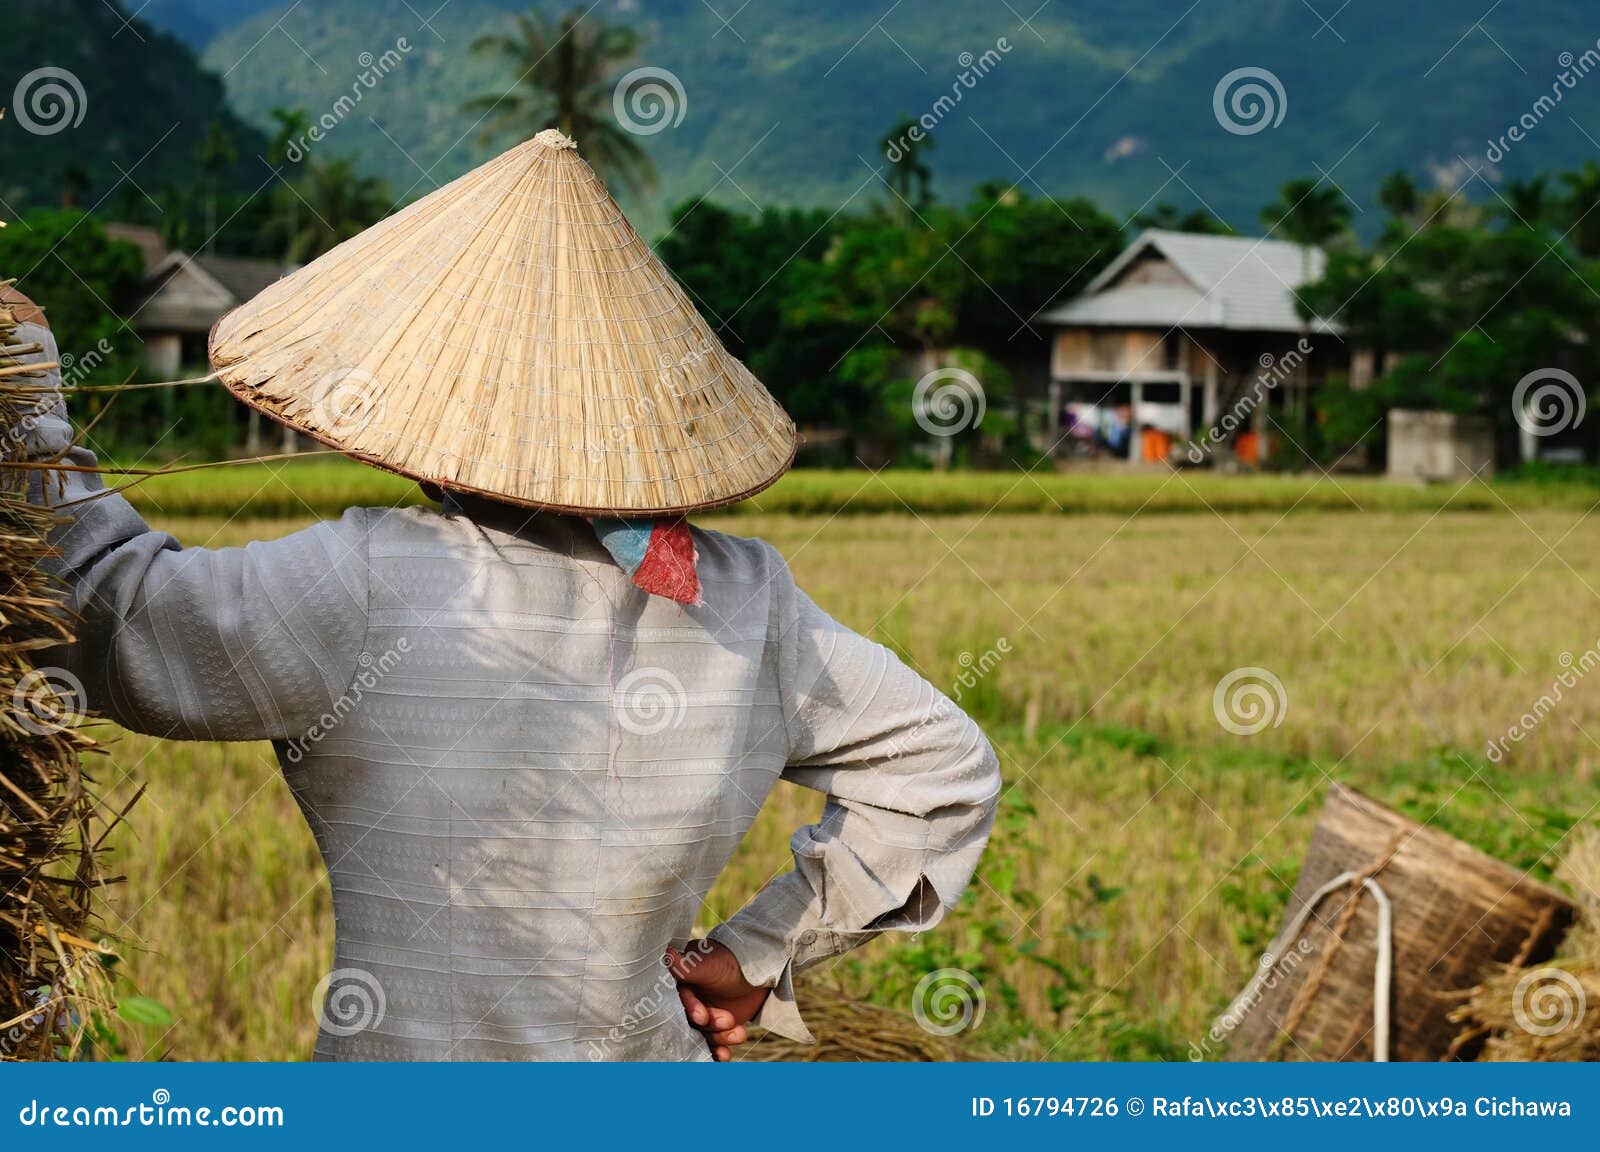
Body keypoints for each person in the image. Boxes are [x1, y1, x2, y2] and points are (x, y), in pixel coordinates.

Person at [0, 131, 999, 1063]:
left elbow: (102, 615)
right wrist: (752, 957)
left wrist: (28, 393)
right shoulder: (750, 600)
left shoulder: (367, 580)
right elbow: (944, 772)